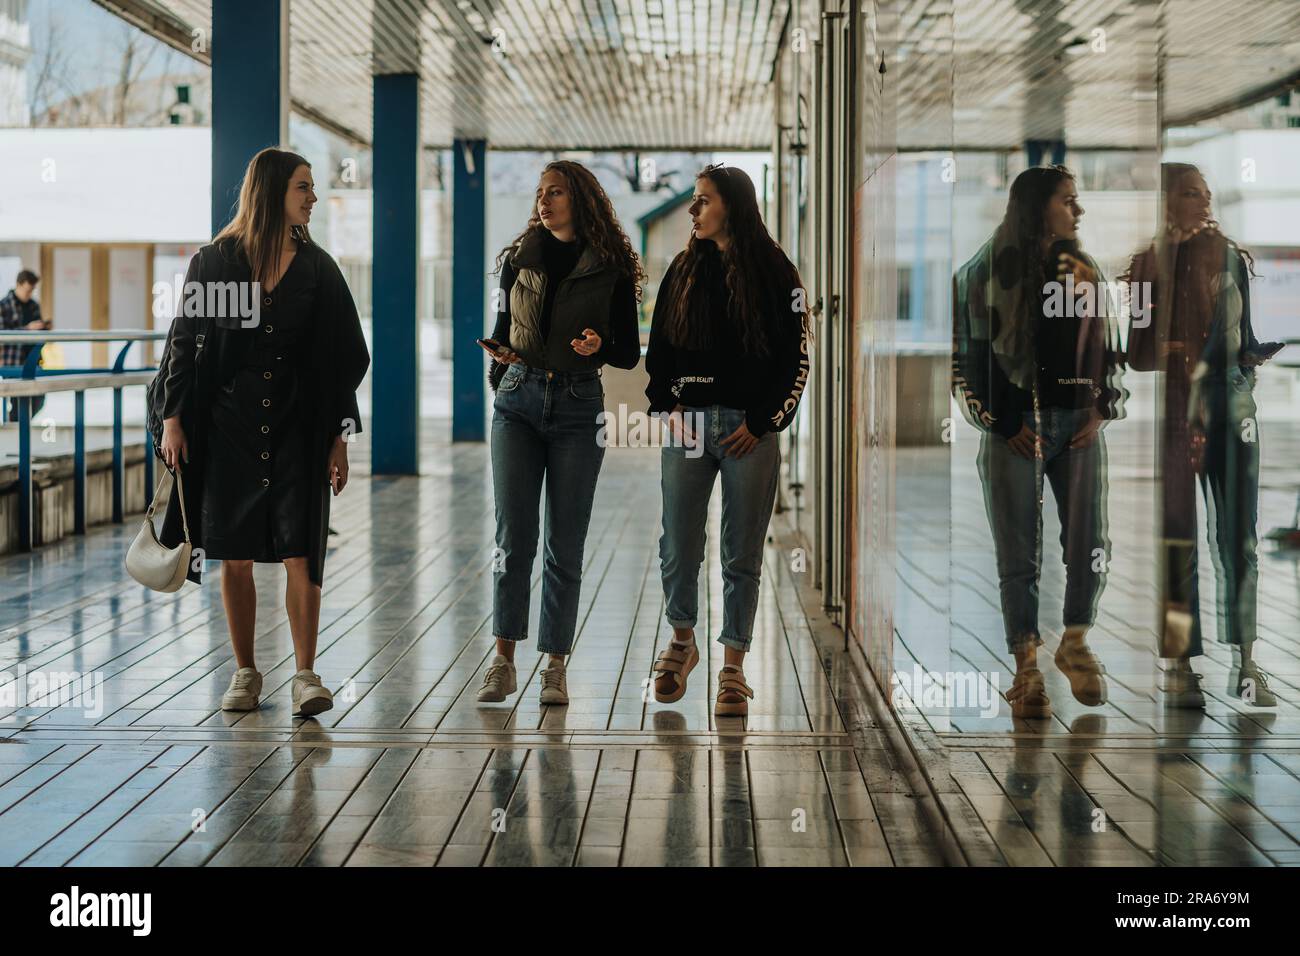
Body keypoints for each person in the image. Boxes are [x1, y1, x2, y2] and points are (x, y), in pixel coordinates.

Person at [152, 147, 370, 718]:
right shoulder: (214, 263)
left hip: (299, 427)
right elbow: (182, 342)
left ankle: (305, 675)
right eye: (304, 187)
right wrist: (173, 420)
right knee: (235, 553)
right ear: (274, 191)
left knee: (303, 549)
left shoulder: (318, 270)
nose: (314, 198)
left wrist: (338, 436)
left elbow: (338, 359)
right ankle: (245, 673)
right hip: (227, 430)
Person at [952, 164, 1125, 720]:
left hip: (1077, 429)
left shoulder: (1084, 269)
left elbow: (1109, 344)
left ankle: (1075, 642)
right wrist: (1001, 423)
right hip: (1014, 433)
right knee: (1019, 556)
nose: (1078, 211)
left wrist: (1104, 405)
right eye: (1068, 201)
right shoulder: (985, 269)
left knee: (1090, 545)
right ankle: (1026, 670)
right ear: (1038, 207)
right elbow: (964, 361)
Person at [644, 163, 810, 718]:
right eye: (693, 201)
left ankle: (733, 669)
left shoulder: (777, 272)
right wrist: (666, 404)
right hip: (689, 425)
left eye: (703, 201)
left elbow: (796, 359)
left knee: (741, 553)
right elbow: (661, 348)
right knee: (678, 545)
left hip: (748, 431)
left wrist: (763, 422)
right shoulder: (682, 270)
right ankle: (683, 642)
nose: (693, 210)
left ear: (733, 207)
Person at [475, 160, 643, 706]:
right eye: (540, 192)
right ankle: (503, 657)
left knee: (563, 545)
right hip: (517, 403)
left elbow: (627, 351)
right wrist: (500, 364)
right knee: (511, 539)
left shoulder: (611, 268)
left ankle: (554, 665)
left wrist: (599, 347)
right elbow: (503, 331)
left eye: (556, 193)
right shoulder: (517, 260)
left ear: (582, 200)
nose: (544, 201)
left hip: (578, 405)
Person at [1125, 162, 1277, 708]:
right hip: (1176, 414)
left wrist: (1252, 359)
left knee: (1239, 541)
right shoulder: (1149, 265)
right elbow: (1139, 355)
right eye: (1192, 194)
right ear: (1166, 202)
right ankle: (1182, 664)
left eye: (1206, 194)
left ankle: (1247, 662)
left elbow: (1246, 338)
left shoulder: (1231, 257)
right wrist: (1179, 348)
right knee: (1179, 541)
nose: (1204, 203)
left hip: (1233, 410)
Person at [1, 270, 50, 420]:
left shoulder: (34, 305)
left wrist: (44, 328)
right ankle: (16, 427)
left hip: (34, 359)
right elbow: (2, 334)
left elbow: (39, 332)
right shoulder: (4, 305)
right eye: (27, 290)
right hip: (13, 361)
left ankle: (20, 424)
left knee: (39, 397)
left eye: (32, 290)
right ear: (18, 285)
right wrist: (27, 328)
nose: (29, 294)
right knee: (18, 399)